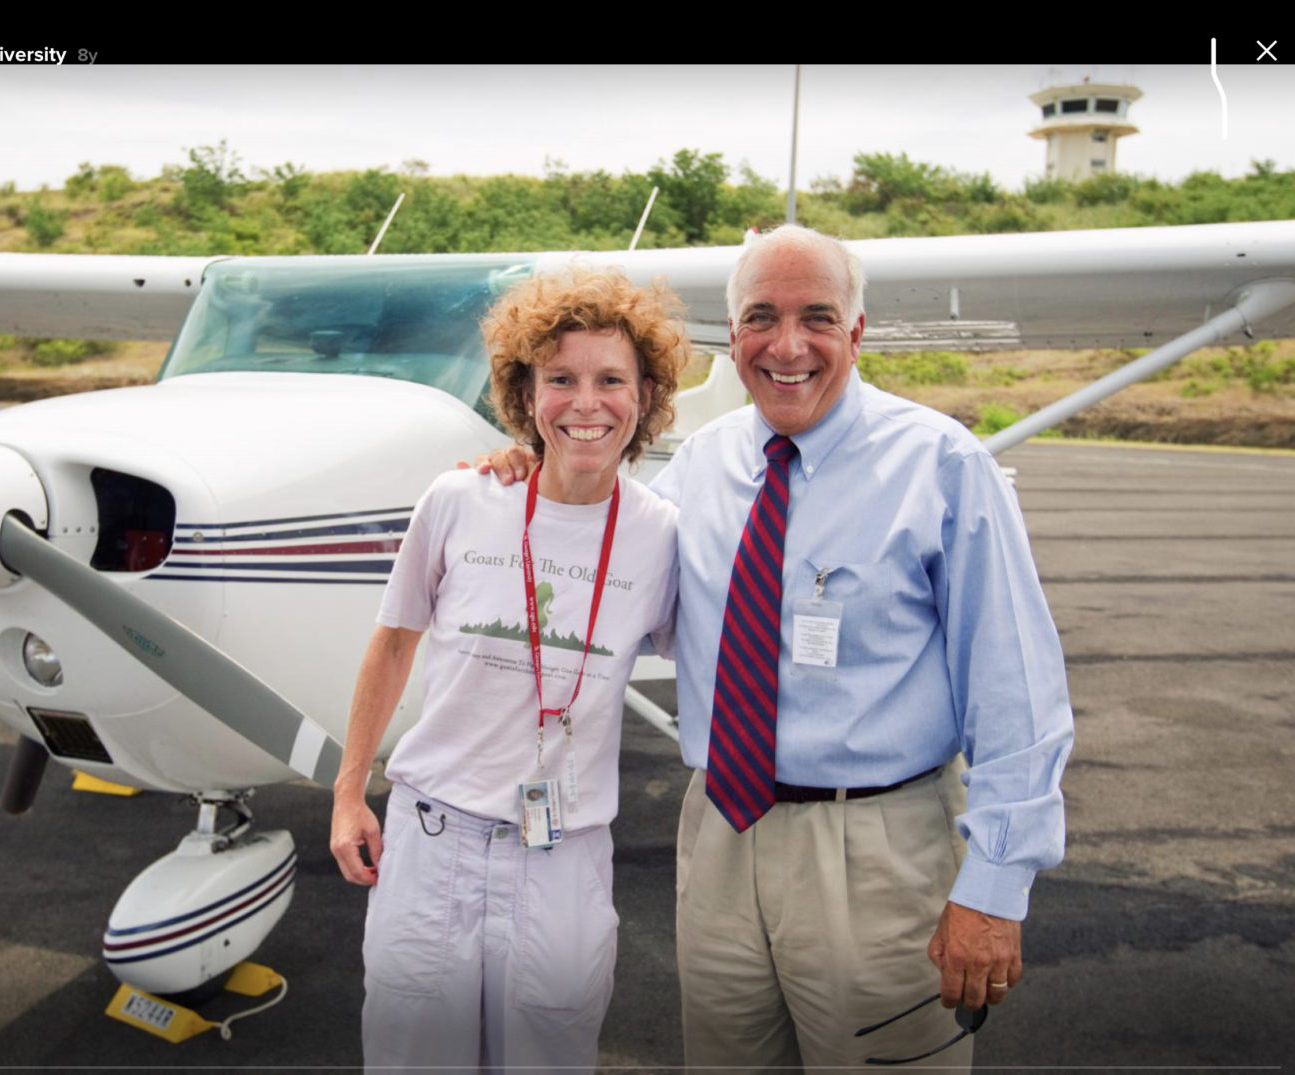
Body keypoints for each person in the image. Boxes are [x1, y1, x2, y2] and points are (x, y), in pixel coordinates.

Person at [479, 224, 1075, 1071]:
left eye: (817, 318)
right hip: (721, 836)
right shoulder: (702, 466)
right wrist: (528, 480)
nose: (787, 345)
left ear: (857, 332)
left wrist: (993, 888)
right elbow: (607, 578)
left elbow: (1018, 694)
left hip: (876, 846)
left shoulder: (943, 465)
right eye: (762, 317)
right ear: (734, 335)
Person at [330, 269, 689, 1073]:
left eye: (611, 380)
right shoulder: (460, 499)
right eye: (559, 378)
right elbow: (392, 644)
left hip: (563, 857)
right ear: (525, 394)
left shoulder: (664, 533)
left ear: (646, 396)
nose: (585, 403)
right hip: (433, 842)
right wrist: (349, 792)